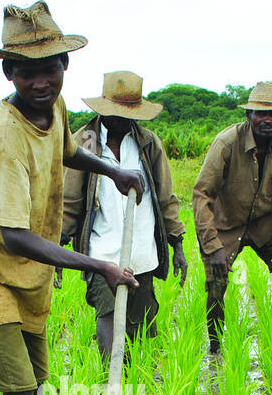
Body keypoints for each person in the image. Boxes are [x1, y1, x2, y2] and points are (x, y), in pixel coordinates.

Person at [0, 1, 144, 395]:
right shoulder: (5, 137)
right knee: (18, 392)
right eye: (26, 72)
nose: (40, 82)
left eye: (50, 69)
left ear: (65, 66)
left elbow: (69, 152)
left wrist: (113, 170)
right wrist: (97, 265)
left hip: (29, 276)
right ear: (9, 73)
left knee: (38, 386)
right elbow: (14, 236)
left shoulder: (51, 106)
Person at [61, 71, 187, 361]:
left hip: (141, 249)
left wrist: (177, 244)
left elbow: (166, 197)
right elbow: (69, 200)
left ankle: (139, 388)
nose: (120, 120)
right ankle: (113, 384)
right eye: (115, 113)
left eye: (128, 113)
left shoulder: (148, 144)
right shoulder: (84, 143)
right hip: (102, 251)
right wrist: (60, 242)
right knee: (107, 315)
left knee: (141, 327)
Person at [192, 82, 272, 354]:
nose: (268, 120)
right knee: (216, 283)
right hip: (226, 222)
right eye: (260, 113)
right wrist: (213, 246)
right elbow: (201, 195)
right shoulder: (226, 143)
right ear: (248, 115)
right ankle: (216, 347)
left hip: (262, 221)